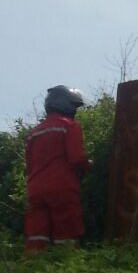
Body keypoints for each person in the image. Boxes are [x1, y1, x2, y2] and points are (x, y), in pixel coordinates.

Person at [23, 85, 90, 253]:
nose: (75, 110)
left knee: (36, 235)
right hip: (62, 187)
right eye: (75, 106)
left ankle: (32, 268)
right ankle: (67, 266)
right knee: (67, 233)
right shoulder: (69, 126)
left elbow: (29, 167)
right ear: (66, 105)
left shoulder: (33, 133)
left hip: (35, 190)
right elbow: (76, 159)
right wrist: (89, 165)